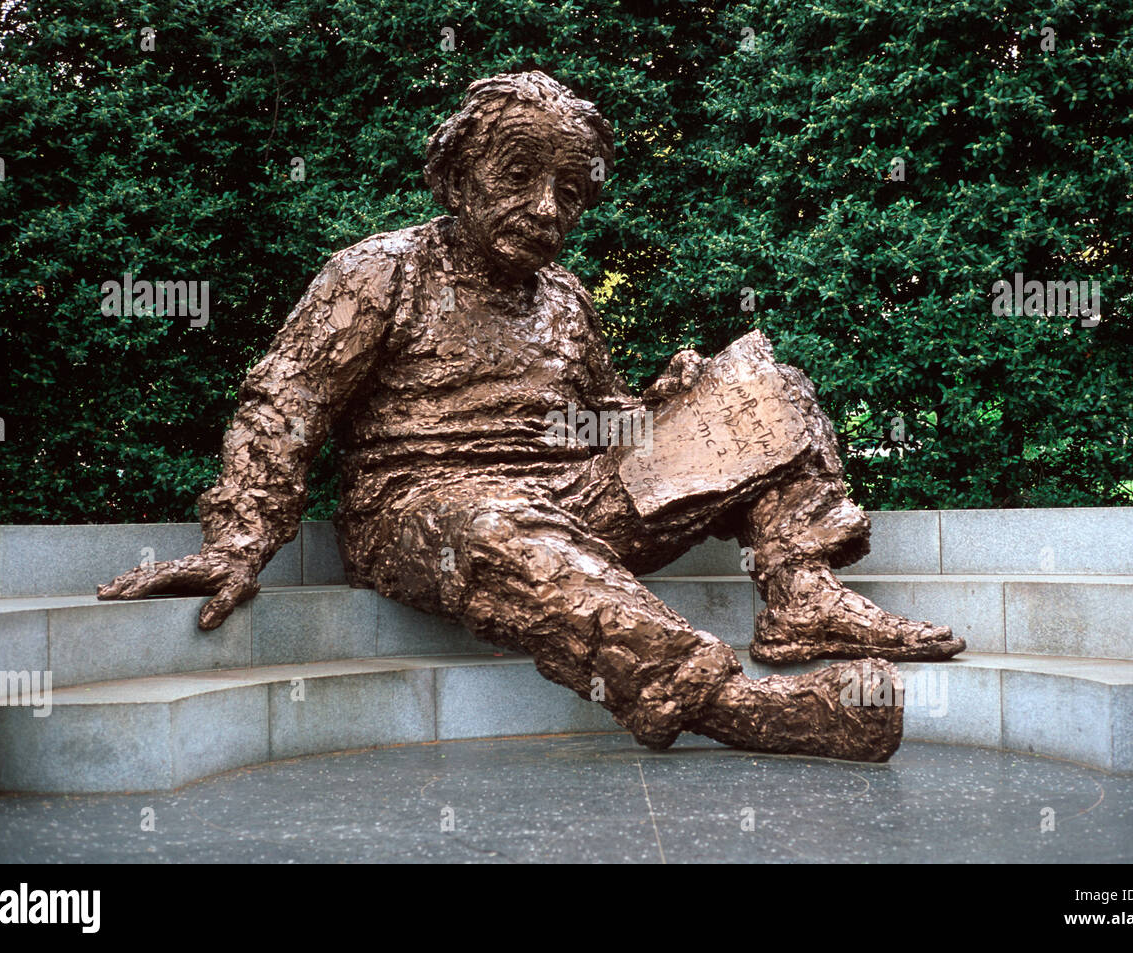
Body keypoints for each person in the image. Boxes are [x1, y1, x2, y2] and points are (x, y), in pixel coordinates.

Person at [99, 71, 962, 761]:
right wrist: (239, 538)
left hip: (568, 492)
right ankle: (732, 703)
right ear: (455, 176)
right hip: (426, 509)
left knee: (765, 389)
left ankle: (801, 591)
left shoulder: (566, 301)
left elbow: (599, 424)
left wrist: (661, 407)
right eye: (520, 176)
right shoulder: (378, 273)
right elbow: (286, 398)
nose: (547, 209)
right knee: (493, 522)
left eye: (571, 191)